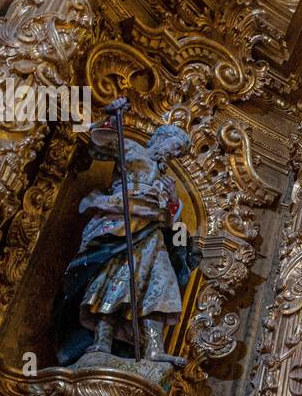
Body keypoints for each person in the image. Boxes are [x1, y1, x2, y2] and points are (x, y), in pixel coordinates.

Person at [53, 122, 196, 367]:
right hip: (122, 228)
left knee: (161, 283)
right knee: (115, 281)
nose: (174, 154)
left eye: (179, 153)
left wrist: (173, 200)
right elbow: (99, 143)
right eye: (175, 147)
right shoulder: (132, 150)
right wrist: (110, 119)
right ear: (162, 137)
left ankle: (153, 348)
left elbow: (173, 225)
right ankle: (102, 342)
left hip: (152, 235)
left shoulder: (166, 181)